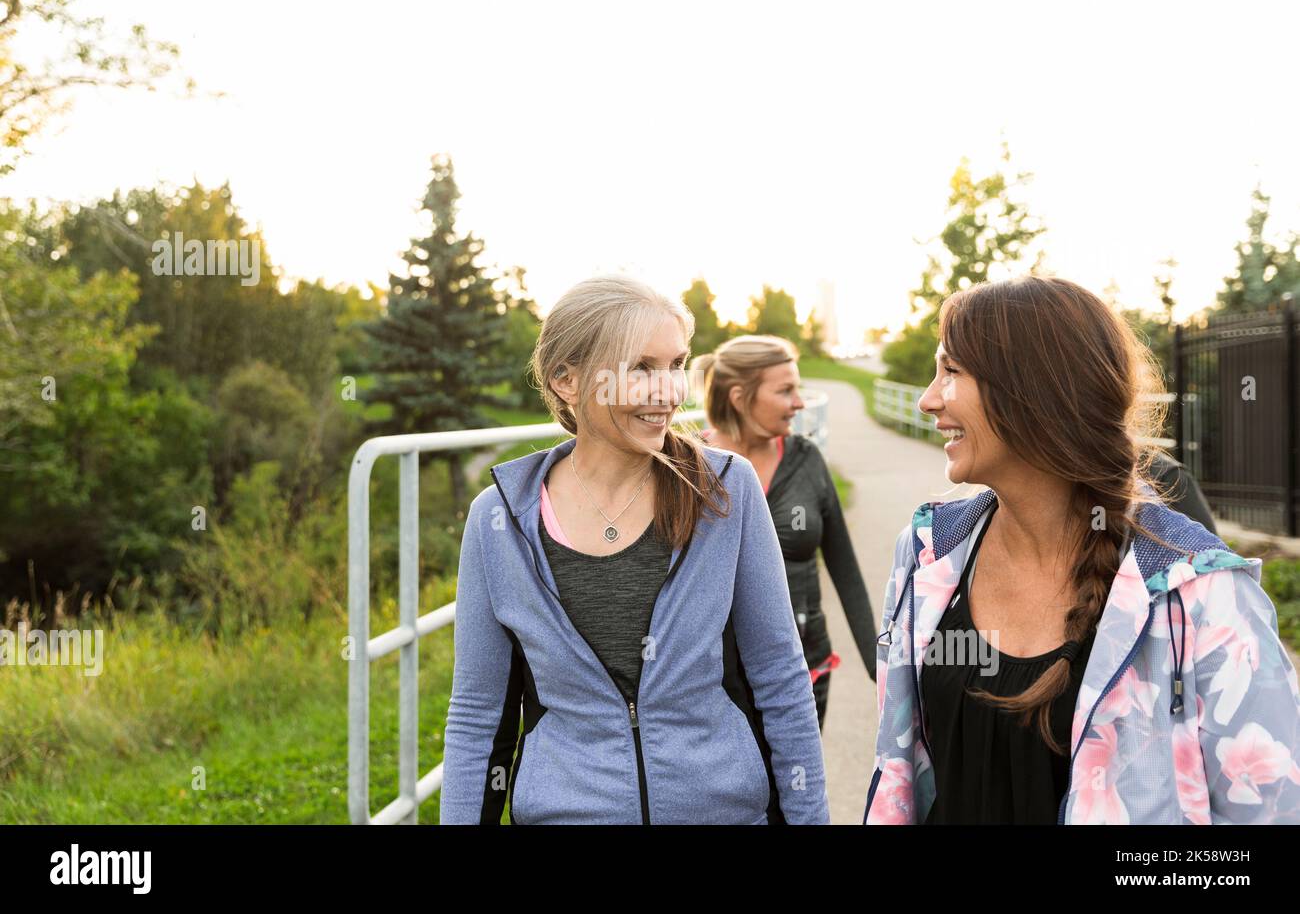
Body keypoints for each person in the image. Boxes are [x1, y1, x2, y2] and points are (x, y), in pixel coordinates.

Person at [865, 275, 1300, 825]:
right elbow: (899, 775)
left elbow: (1271, 815)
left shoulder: (1201, 592)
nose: (929, 400)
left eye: (951, 371)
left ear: (1033, 392)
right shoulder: (928, 554)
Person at [440, 275, 829, 825]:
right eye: (641, 368)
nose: (668, 392)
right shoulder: (499, 518)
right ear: (567, 380)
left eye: (676, 365)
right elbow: (478, 714)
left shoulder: (725, 490)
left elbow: (780, 678)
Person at [692, 335, 878, 732]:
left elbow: (846, 573)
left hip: (804, 671)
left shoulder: (806, 459)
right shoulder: (689, 466)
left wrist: (884, 676)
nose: (799, 402)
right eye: (786, 390)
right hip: (713, 686)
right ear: (740, 397)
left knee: (798, 790)